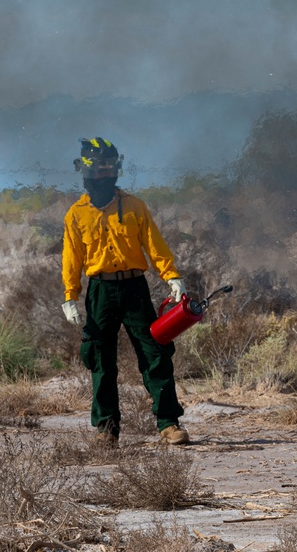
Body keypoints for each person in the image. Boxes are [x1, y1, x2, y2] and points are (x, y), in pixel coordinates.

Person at [61, 137, 190, 446]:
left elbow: (155, 245)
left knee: (155, 353)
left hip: (134, 288)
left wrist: (171, 275)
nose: (106, 173)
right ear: (86, 170)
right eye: (100, 168)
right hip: (100, 291)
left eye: (110, 167)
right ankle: (106, 429)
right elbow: (71, 259)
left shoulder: (135, 206)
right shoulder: (76, 214)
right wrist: (69, 296)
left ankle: (168, 423)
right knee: (101, 360)